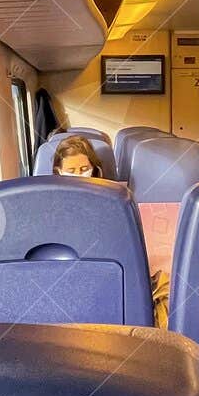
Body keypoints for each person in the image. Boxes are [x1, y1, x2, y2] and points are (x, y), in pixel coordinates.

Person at [52, 133, 168, 326]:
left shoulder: (115, 201)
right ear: (58, 171)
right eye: (71, 170)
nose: (78, 175)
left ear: (94, 169)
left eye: (84, 169)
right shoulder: (48, 206)